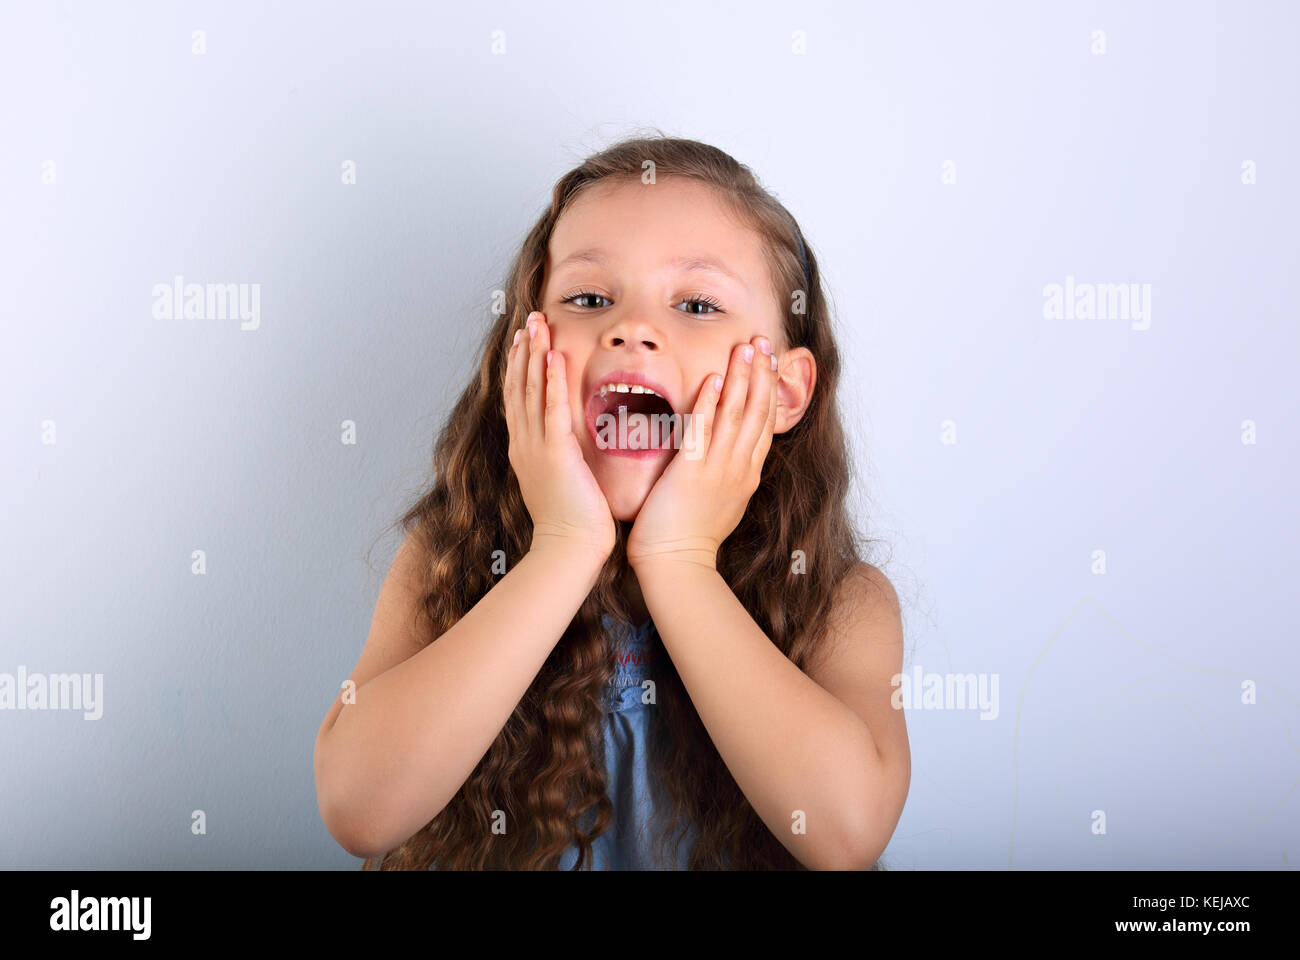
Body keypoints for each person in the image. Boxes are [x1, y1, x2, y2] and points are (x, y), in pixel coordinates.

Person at [313, 133, 910, 870]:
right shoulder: (451, 562)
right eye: (589, 298)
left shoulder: (841, 602)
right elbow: (359, 810)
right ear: (521, 358)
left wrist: (679, 561)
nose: (632, 329)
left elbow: (846, 834)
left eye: (697, 303)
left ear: (782, 392)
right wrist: (563, 546)